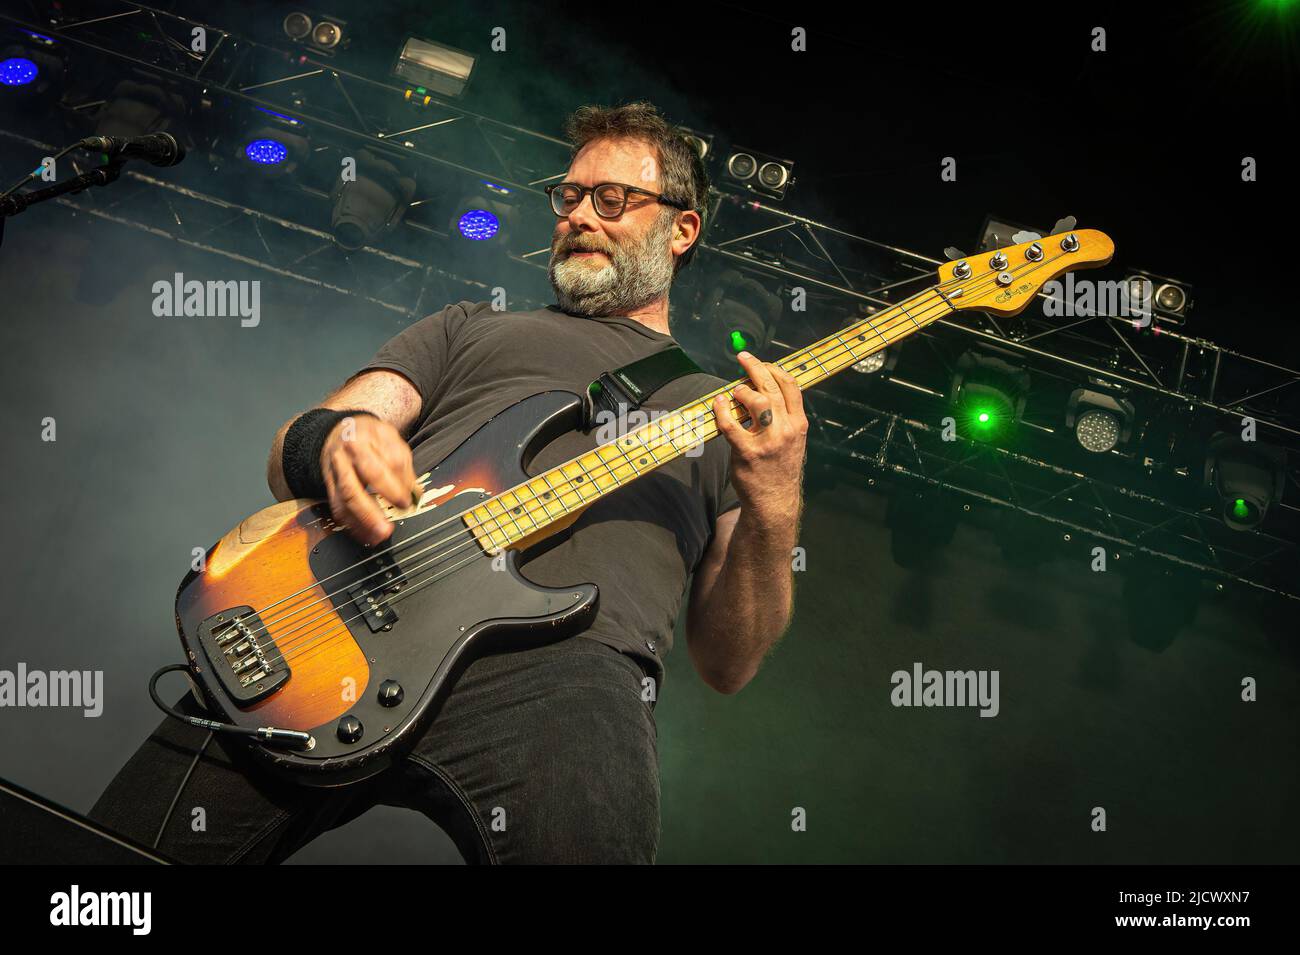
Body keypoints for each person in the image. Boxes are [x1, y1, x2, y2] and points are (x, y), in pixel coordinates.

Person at [89, 101, 807, 864]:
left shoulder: (732, 413)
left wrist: (776, 502)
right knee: (98, 877)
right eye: (569, 197)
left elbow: (728, 663)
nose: (581, 217)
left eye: (613, 199)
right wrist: (340, 437)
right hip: (352, 615)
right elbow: (291, 451)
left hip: (573, 671)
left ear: (682, 228)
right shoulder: (471, 326)